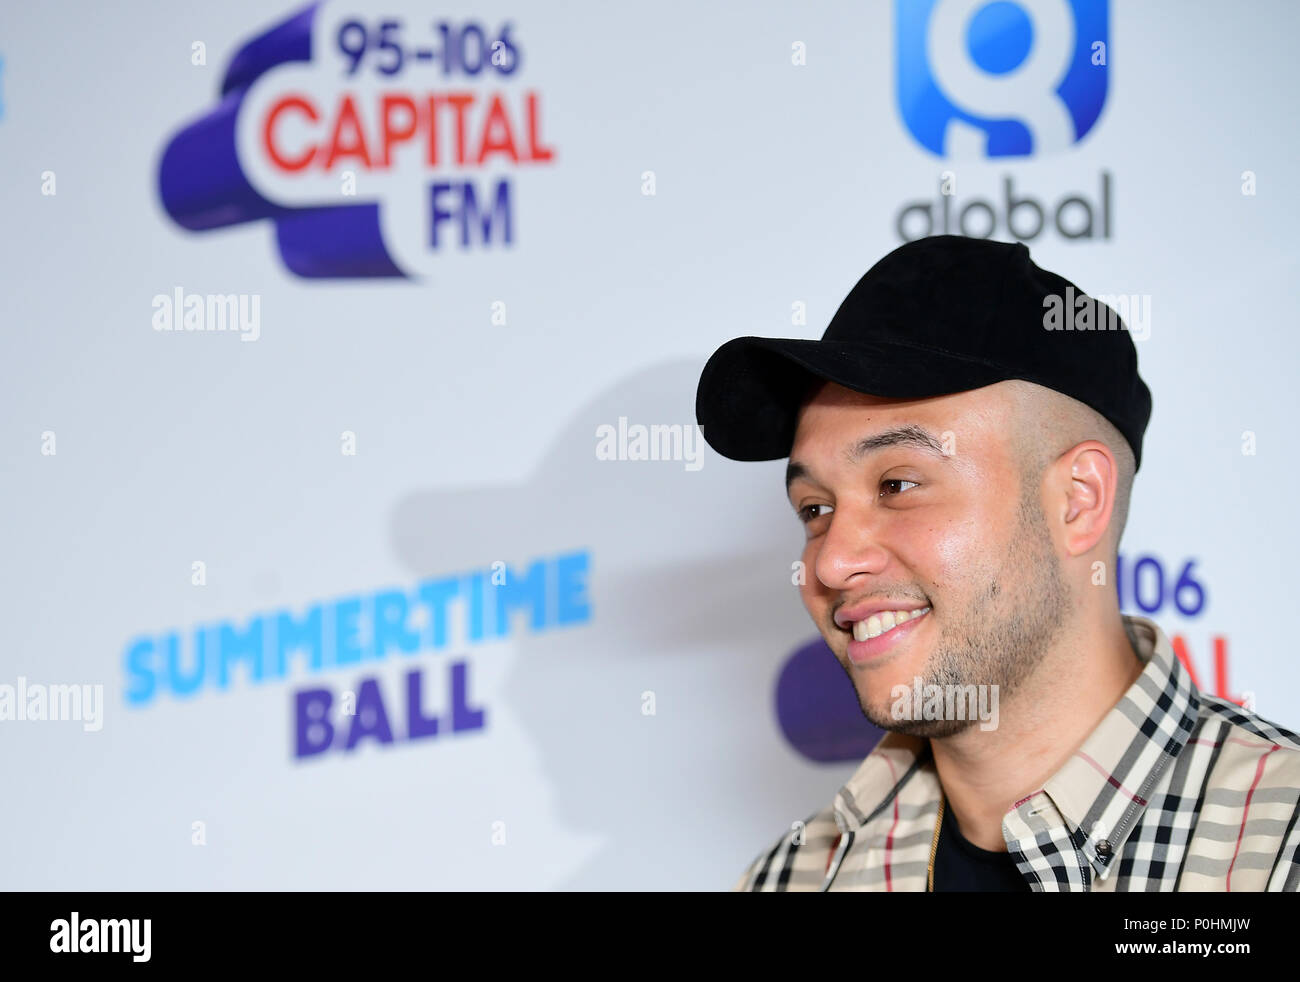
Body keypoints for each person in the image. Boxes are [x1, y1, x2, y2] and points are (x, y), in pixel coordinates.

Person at [695, 235, 1300, 891]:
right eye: (814, 509)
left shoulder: (1278, 846)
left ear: (1078, 501)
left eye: (897, 485)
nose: (832, 561)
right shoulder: (793, 880)